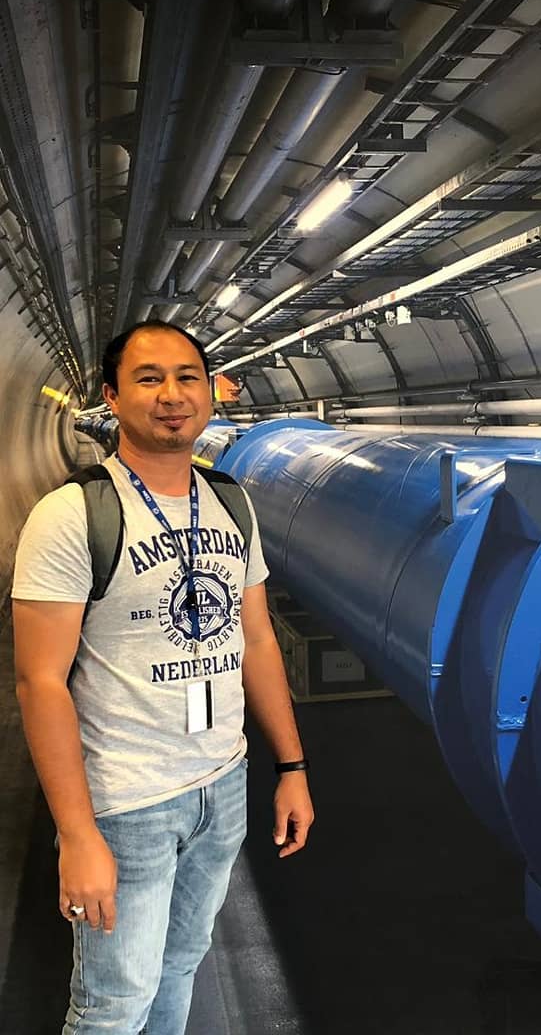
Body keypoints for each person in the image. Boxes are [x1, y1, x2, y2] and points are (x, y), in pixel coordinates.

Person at [12, 320, 315, 1034]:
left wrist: (292, 765)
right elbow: (40, 683)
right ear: (112, 398)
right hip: (127, 801)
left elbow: (257, 638)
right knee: (113, 1004)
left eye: (188, 377)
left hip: (221, 783)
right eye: (149, 379)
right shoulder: (72, 515)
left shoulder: (230, 501)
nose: (172, 395)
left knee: (181, 965)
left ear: (209, 392)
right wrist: (79, 833)